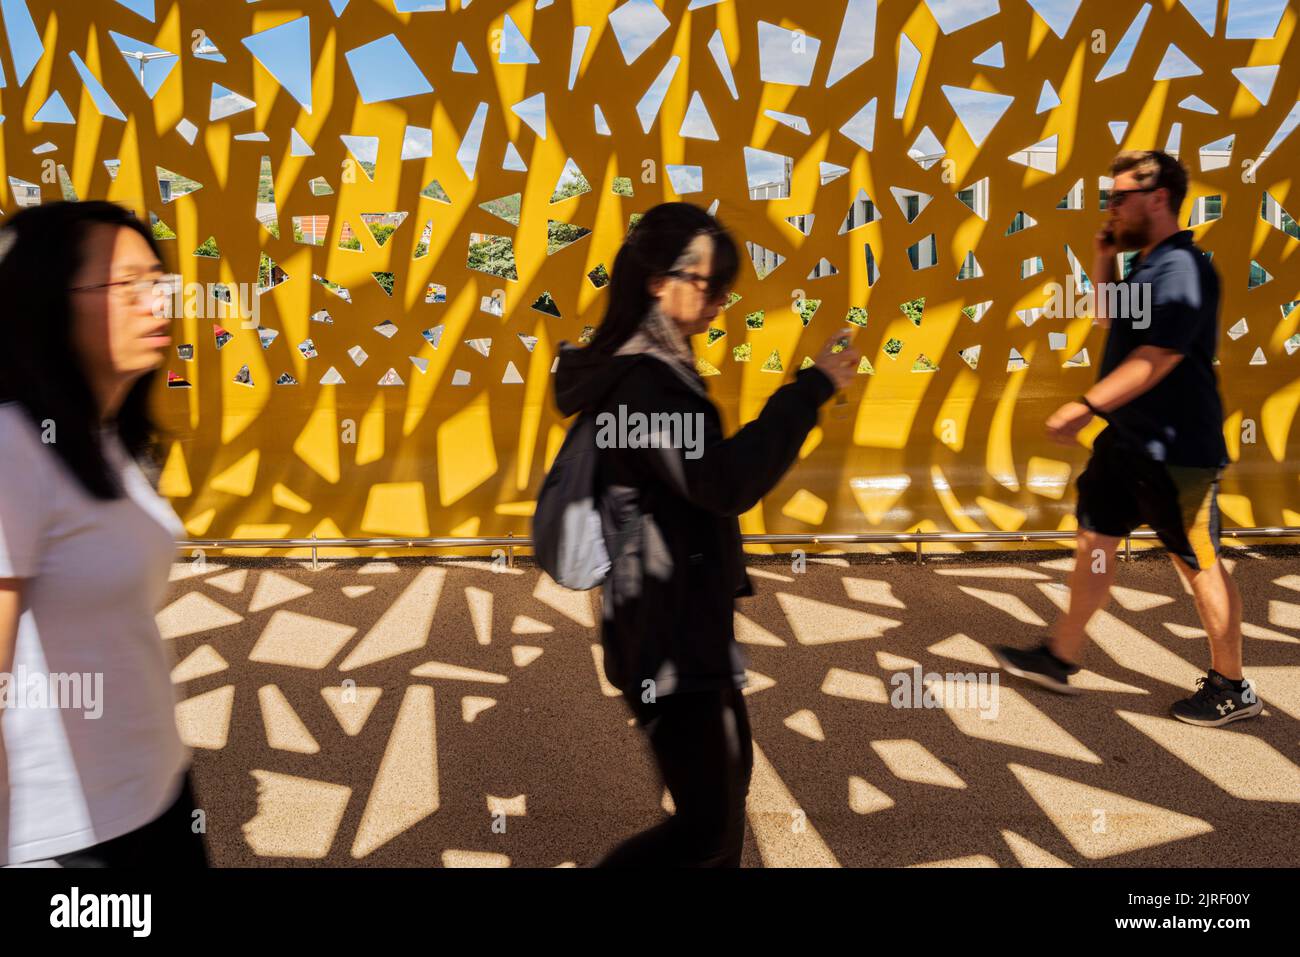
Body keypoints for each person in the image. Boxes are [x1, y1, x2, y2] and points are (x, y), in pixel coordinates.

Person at [554, 202, 860, 865]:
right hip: (666, 630)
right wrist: (807, 391)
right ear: (661, 281)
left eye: (728, 284)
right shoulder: (643, 381)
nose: (724, 298)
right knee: (705, 827)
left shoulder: (654, 363)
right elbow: (720, 481)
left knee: (722, 801)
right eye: (713, 282)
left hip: (681, 619)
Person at [994, 150, 1261, 728]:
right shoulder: (1148, 265)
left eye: (1119, 197)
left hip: (1177, 450)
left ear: (1158, 197)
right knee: (1095, 540)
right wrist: (1103, 259)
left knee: (1198, 564)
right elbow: (1109, 317)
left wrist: (1084, 406)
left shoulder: (1182, 268)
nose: (1110, 206)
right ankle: (1062, 655)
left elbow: (1158, 356)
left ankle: (1232, 686)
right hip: (1127, 444)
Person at [0, 201, 208, 866]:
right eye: (128, 284)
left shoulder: (107, 438)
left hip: (155, 787)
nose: (159, 303)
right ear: (46, 300)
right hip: (65, 834)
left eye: (161, 280)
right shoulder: (11, 447)